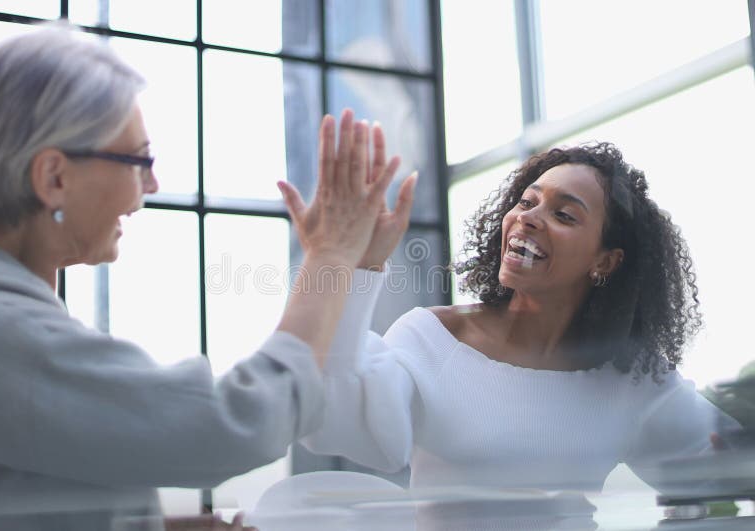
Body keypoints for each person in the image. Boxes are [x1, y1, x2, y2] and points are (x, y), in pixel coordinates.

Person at [0, 23, 417, 531]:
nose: (152, 184)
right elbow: (231, 426)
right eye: (138, 160)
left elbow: (13, 491)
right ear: (54, 178)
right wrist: (330, 257)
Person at [301, 142, 740, 528]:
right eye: (527, 202)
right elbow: (337, 422)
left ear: (605, 261)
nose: (528, 218)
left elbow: (726, 464)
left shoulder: (628, 376)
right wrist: (354, 264)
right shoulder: (431, 339)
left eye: (563, 214)